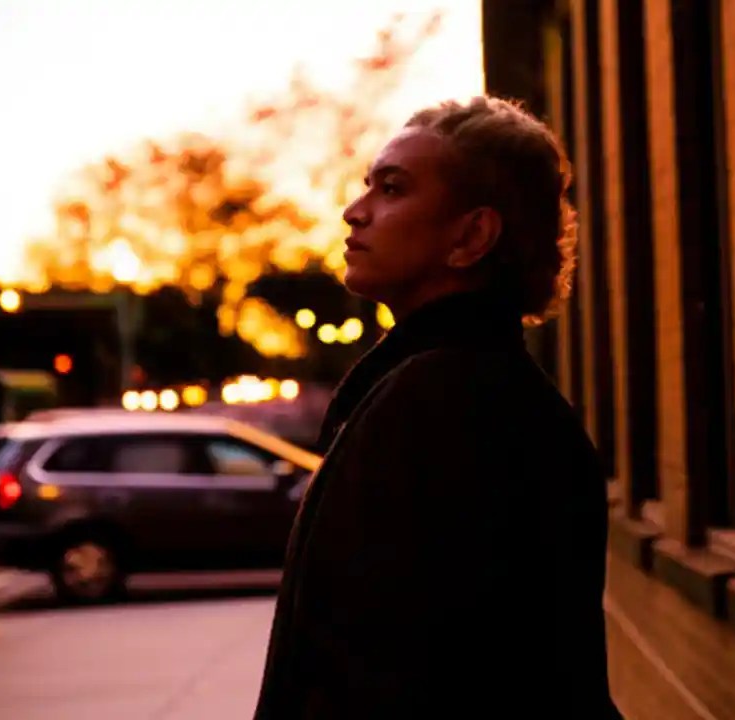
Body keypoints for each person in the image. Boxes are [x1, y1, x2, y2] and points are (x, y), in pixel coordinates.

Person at [254, 96, 621, 719]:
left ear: (471, 236)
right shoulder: (460, 389)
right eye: (368, 185)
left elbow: (392, 673)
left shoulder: (443, 404)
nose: (355, 211)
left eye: (392, 189)